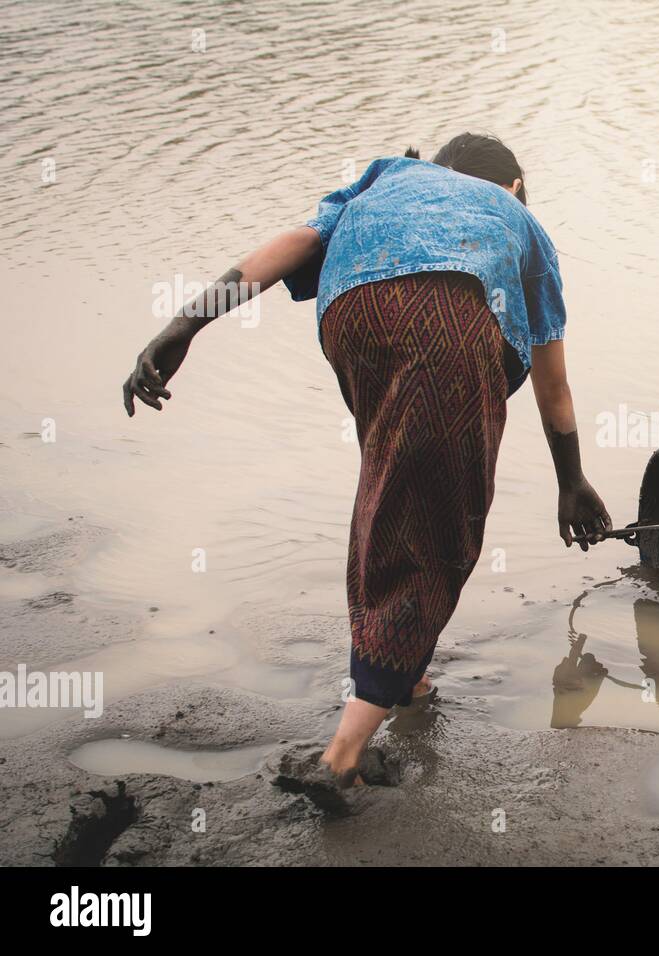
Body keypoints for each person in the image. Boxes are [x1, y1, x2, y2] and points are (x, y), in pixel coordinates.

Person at [122, 132, 611, 783]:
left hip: (351, 314)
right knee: (442, 524)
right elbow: (554, 386)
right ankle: (344, 753)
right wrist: (571, 480)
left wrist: (185, 324)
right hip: (449, 315)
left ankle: (409, 678)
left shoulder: (385, 178)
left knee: (389, 484)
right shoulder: (522, 221)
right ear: (515, 186)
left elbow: (294, 245)